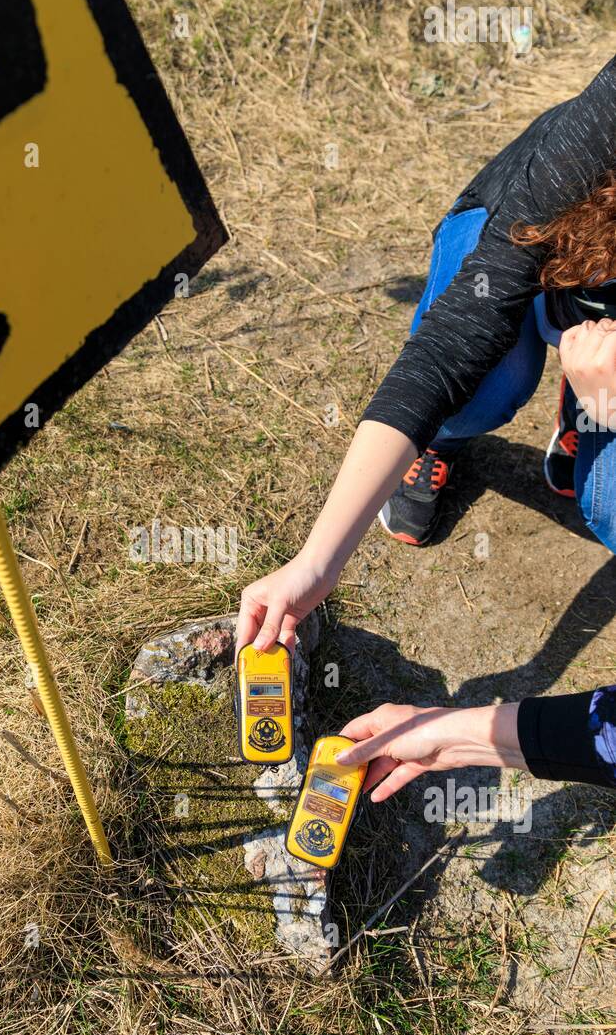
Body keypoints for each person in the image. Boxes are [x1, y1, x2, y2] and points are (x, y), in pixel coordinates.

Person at [235, 56, 616, 800]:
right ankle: (464, 433)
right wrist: (318, 560)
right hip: (538, 249)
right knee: (479, 387)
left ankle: (588, 395)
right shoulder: (602, 128)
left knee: (606, 502)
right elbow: (456, 336)